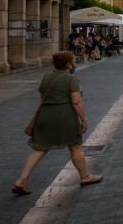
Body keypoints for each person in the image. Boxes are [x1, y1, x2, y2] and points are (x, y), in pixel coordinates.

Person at [12, 51, 102, 195]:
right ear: (68, 64)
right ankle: (85, 176)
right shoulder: (71, 79)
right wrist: (84, 119)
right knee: (75, 147)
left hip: (45, 115)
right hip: (64, 115)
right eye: (73, 61)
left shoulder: (47, 76)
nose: (74, 63)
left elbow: (42, 96)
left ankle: (21, 181)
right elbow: (77, 102)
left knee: (40, 148)